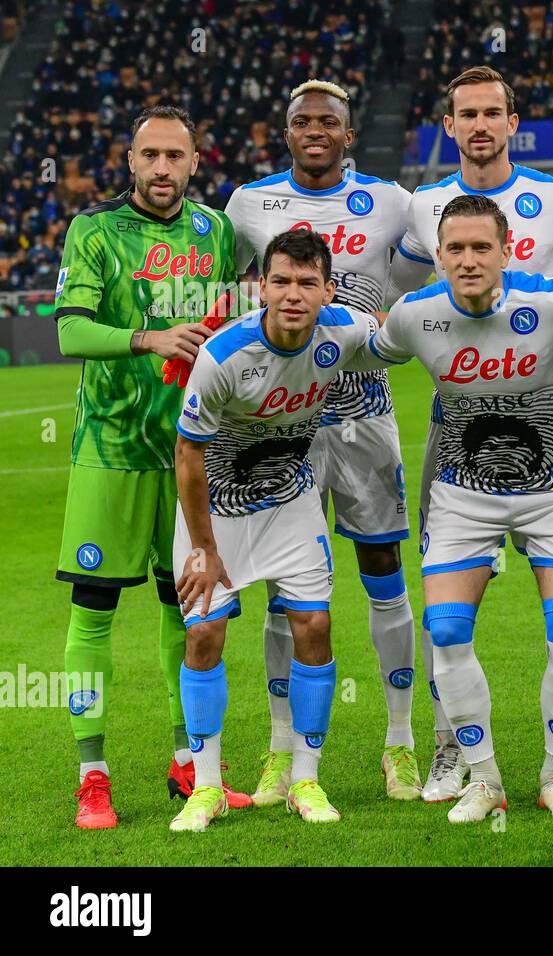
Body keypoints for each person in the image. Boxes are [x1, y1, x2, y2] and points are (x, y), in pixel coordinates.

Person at [386, 65, 553, 803]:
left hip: (549, 435)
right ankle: (452, 751)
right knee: (451, 614)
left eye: (494, 111)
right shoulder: (422, 205)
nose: (482, 124)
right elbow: (398, 307)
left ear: (510, 119)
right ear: (450, 124)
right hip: (454, 432)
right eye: (468, 114)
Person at [365, 194, 553, 822]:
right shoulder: (414, 315)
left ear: (505, 250)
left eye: (480, 248)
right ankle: (484, 777)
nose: (468, 260)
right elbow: (359, 349)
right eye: (455, 250)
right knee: (445, 630)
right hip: (462, 495)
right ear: (438, 256)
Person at [223, 80, 423, 804]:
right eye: (301, 120)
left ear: (348, 133)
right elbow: (223, 294)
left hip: (366, 415)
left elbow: (417, 283)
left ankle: (398, 741)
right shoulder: (248, 204)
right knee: (285, 588)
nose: (315, 130)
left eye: (328, 122)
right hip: (283, 421)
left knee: (382, 569)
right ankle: (281, 751)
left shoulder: (395, 202)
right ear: (287, 131)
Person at [53, 104, 247, 829]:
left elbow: (228, 323)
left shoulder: (216, 231)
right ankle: (92, 775)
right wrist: (150, 338)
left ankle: (189, 766)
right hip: (110, 450)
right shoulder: (94, 231)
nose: (163, 168)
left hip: (189, 454)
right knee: (95, 610)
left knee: (186, 609)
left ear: (195, 162)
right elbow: (70, 328)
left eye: (176, 156)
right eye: (150, 156)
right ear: (129, 162)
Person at [169, 229, 382, 831]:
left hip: (290, 502)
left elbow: (409, 332)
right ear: (260, 286)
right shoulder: (223, 356)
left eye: (307, 283)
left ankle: (304, 778)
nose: (293, 295)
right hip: (218, 509)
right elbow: (187, 451)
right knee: (205, 633)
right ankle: (206, 787)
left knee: (314, 623)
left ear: (328, 291)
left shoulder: (343, 332)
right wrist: (204, 550)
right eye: (281, 281)